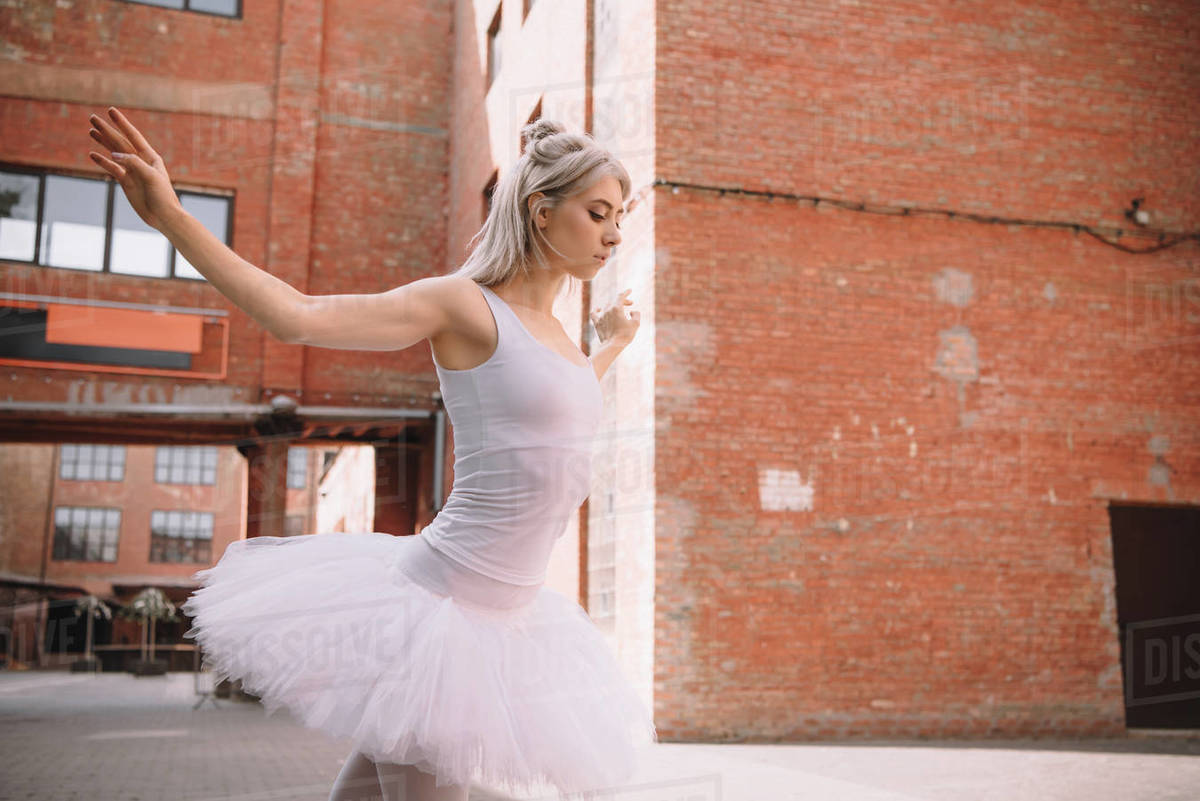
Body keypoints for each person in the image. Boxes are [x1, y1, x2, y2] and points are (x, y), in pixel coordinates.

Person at [87, 107, 654, 801]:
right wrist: (171, 216)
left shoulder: (559, 337)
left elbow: (555, 410)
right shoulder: (463, 306)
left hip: (512, 617)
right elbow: (296, 315)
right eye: (598, 214)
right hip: (442, 610)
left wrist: (611, 346)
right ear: (541, 211)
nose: (614, 234)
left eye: (619, 217)